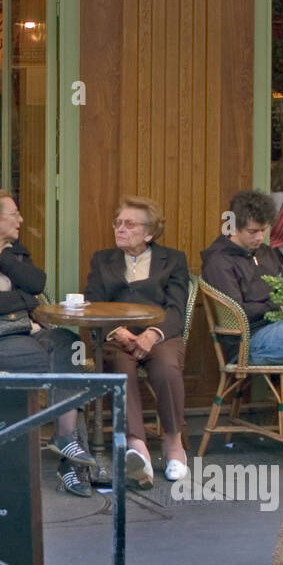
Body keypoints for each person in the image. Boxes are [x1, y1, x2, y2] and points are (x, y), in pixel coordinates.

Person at [0, 190, 97, 497]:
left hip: (30, 333)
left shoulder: (15, 252)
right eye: (14, 213)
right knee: (68, 372)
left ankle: (65, 441)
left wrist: (3, 257)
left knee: (70, 346)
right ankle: (72, 465)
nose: (20, 219)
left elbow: (37, 283)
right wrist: (24, 300)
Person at [84, 196, 191, 486]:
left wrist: (153, 334)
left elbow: (176, 307)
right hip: (115, 335)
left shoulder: (174, 260)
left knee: (167, 366)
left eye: (129, 224)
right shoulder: (102, 259)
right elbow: (93, 303)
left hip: (159, 334)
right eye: (117, 223)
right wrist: (116, 330)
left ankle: (173, 444)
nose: (120, 229)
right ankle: (137, 446)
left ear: (149, 233)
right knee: (121, 364)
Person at [201, 190, 283, 378]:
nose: (259, 237)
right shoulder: (219, 262)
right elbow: (237, 311)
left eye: (264, 230)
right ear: (235, 227)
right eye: (252, 231)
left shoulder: (266, 253)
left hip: (282, 331)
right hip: (249, 342)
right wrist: (275, 305)